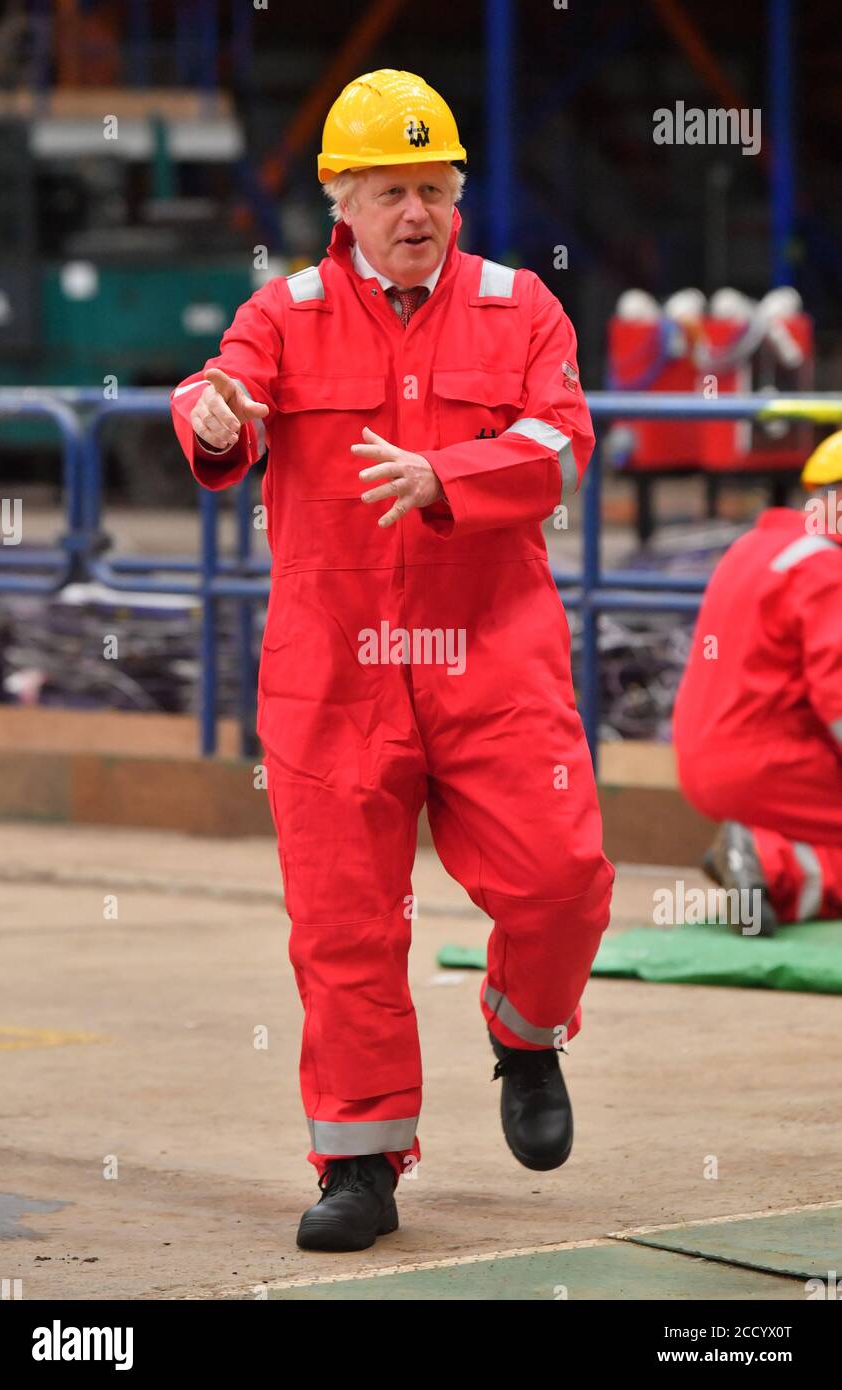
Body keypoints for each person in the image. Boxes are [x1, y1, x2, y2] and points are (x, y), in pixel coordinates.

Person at [171, 69, 614, 1252]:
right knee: (344, 925)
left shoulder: (522, 309)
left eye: (432, 189)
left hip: (492, 657)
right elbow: (225, 390)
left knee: (561, 877)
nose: (414, 213)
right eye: (388, 193)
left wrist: (446, 479)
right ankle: (360, 1163)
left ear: (456, 193)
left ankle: (526, 1031)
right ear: (341, 200)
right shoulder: (287, 309)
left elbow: (557, 438)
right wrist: (212, 418)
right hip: (332, 673)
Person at [673, 431, 842, 935]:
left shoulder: (759, 545)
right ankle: (770, 864)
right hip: (770, 765)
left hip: (710, 759)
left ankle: (764, 855)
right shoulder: (825, 568)